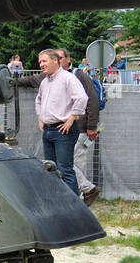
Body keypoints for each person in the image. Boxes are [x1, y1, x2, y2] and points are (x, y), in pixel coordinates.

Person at [33, 48, 88, 196]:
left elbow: (82, 98)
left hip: (63, 130)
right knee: (50, 169)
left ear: (55, 61)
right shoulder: (45, 82)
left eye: (44, 61)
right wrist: (40, 117)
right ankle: (56, 201)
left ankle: (73, 205)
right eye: (39, 62)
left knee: (65, 169)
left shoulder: (68, 78)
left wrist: (71, 118)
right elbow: (38, 100)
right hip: (48, 131)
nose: (41, 64)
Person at [57, 48, 101, 204]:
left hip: (80, 127)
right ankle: (80, 196)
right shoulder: (54, 77)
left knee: (75, 163)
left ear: (68, 59)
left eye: (60, 58)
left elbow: (92, 100)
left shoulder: (78, 74)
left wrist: (91, 126)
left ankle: (83, 196)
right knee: (66, 162)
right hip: (64, 128)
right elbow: (33, 80)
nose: (57, 60)